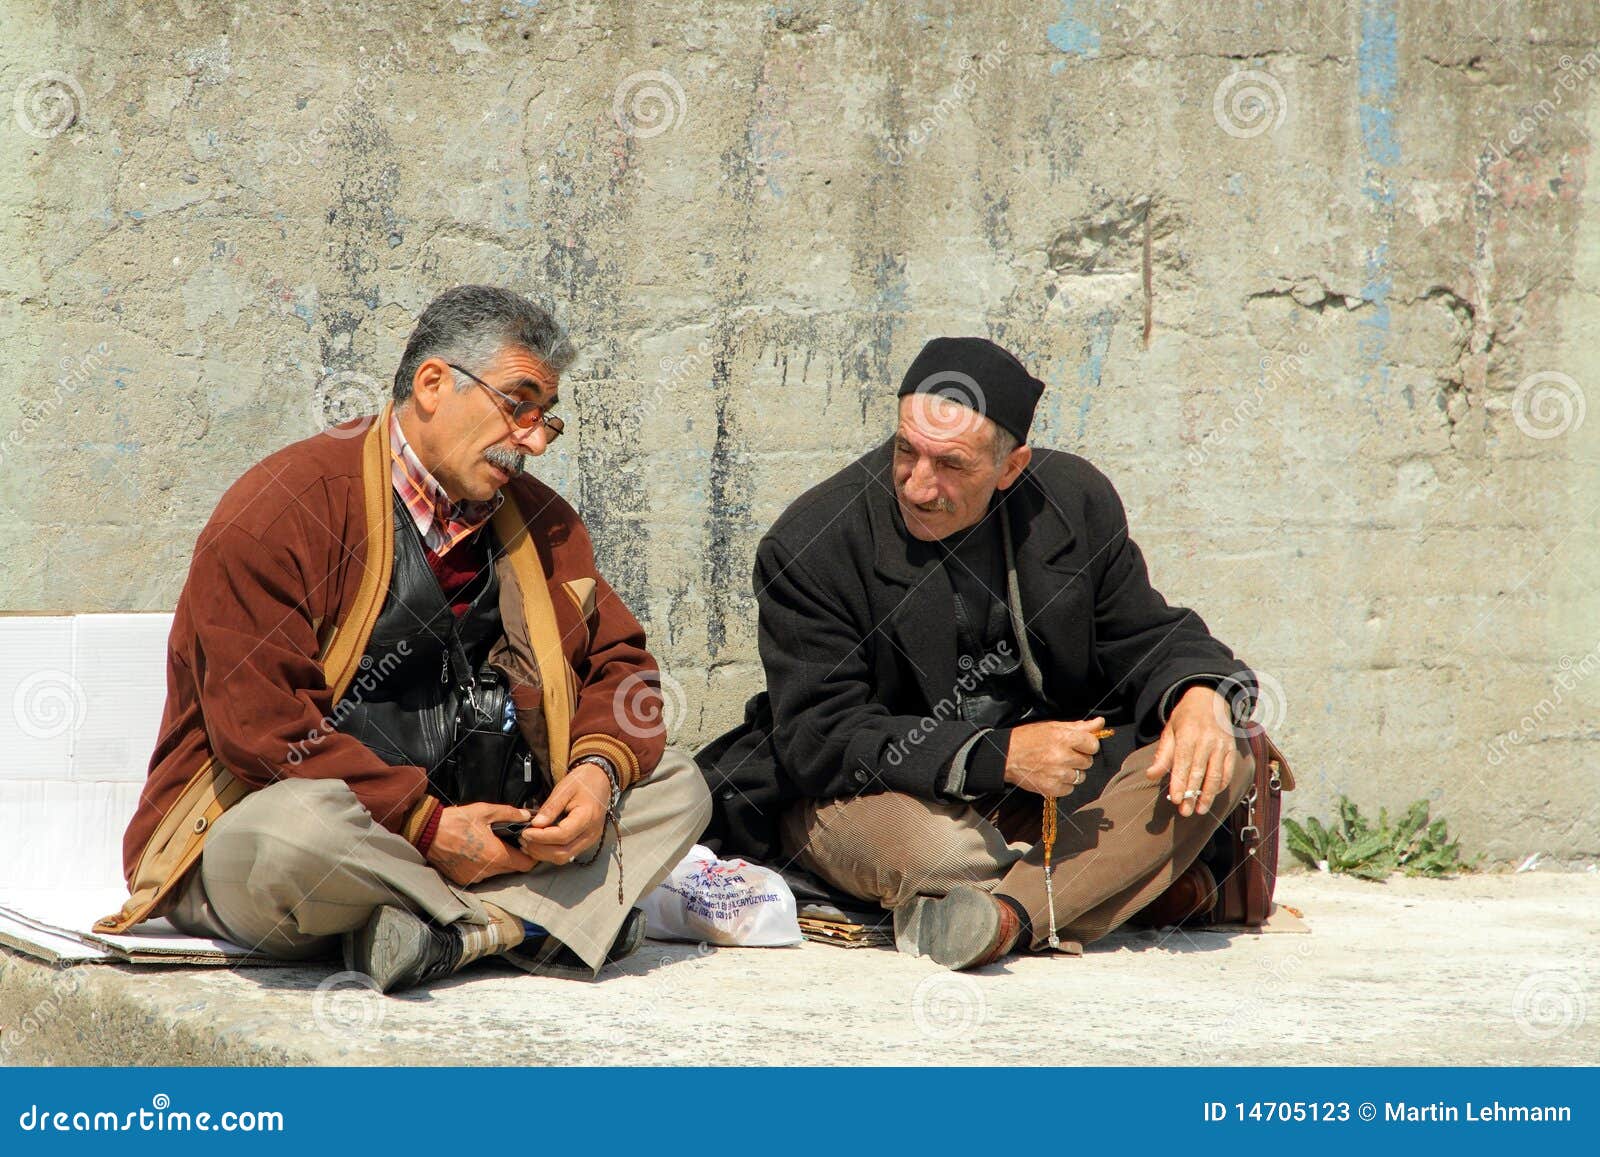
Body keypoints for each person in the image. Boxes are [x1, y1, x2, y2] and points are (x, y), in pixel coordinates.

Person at [99, 285, 710, 993]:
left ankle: (440, 934)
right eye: (519, 406)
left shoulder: (546, 526)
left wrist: (595, 775)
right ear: (431, 384)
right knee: (297, 831)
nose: (535, 441)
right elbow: (261, 730)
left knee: (677, 784)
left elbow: (621, 665)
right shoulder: (282, 510)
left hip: (489, 831)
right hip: (313, 831)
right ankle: (529, 924)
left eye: (548, 421)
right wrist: (428, 828)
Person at [698, 336, 1257, 970]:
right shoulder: (812, 543)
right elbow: (820, 738)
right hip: (876, 798)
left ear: (1011, 466)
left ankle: (1000, 919)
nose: (917, 485)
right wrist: (998, 757)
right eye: (906, 451)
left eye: (952, 465)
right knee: (937, 854)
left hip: (1046, 791)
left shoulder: (1072, 501)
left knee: (1219, 751)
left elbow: (1146, 633)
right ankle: (1106, 883)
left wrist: (1197, 694)